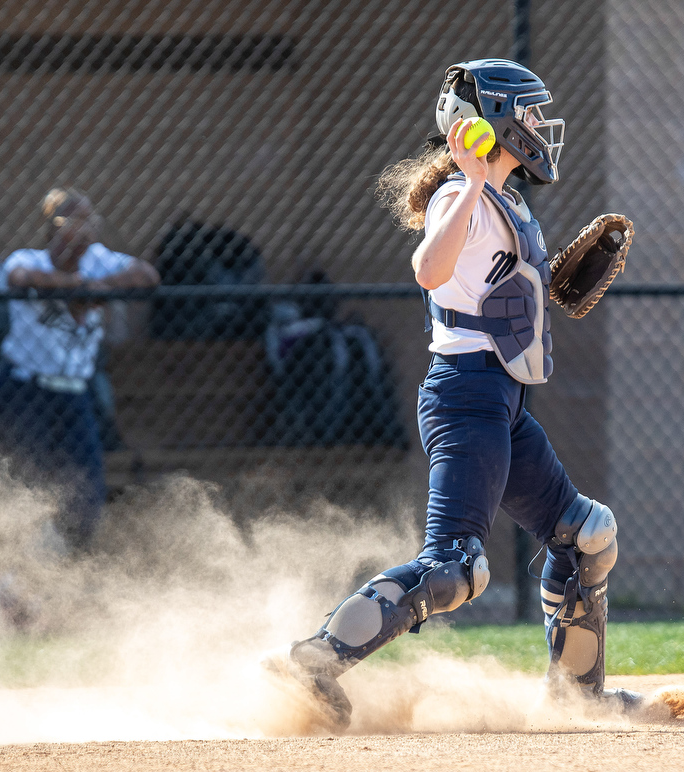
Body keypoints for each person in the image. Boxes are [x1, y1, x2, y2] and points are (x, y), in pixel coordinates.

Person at [266, 58, 645, 731]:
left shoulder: (505, 201)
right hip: (466, 397)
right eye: (526, 114)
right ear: (491, 122)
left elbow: (487, 287)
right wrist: (470, 182)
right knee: (457, 567)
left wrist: (540, 289)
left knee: (588, 535)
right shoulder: (457, 196)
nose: (538, 127)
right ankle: (316, 660)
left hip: (501, 403)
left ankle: (576, 696)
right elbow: (430, 269)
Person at [0, 188, 160, 552]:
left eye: (89, 221)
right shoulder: (29, 258)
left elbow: (146, 276)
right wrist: (77, 288)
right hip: (25, 392)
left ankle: (28, 579)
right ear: (55, 228)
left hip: (75, 395)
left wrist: (98, 288)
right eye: (75, 221)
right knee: (22, 492)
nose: (86, 230)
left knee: (86, 502)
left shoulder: (98, 259)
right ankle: (6, 578)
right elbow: (19, 278)